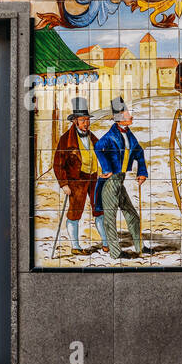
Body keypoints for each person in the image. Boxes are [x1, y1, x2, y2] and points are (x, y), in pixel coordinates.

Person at [52, 96, 107, 254]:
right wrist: (64, 184)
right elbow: (58, 164)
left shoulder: (91, 135)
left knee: (99, 209)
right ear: (75, 121)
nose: (86, 124)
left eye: (87, 120)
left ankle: (105, 242)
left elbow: (100, 151)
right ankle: (75, 246)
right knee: (75, 211)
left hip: (93, 178)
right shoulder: (65, 140)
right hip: (76, 180)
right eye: (83, 121)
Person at [95, 96, 147, 258]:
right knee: (110, 218)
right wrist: (106, 168)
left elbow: (139, 151)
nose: (130, 116)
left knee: (132, 215)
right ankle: (116, 254)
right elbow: (98, 147)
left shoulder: (129, 135)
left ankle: (140, 248)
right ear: (118, 119)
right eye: (126, 115)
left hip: (120, 181)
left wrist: (142, 172)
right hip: (110, 182)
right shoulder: (110, 136)